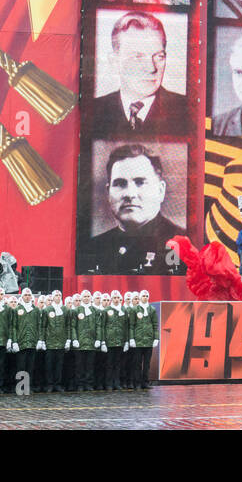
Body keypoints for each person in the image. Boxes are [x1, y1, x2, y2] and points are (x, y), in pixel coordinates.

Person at [82, 144, 185, 275]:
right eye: (120, 184)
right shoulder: (93, 247)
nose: (130, 194)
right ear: (108, 192)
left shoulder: (183, 244)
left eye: (140, 182)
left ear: (160, 190)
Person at [89, 12, 189, 134]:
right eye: (137, 57)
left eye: (159, 56)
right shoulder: (92, 111)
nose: (151, 68)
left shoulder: (187, 111)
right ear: (114, 61)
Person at [70, 290, 102, 391]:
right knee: (79, 365)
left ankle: (89, 384)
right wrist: (75, 339)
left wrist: (98, 339)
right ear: (82, 298)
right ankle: (80, 384)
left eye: (88, 296)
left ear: (90, 298)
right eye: (85, 296)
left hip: (92, 343)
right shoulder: (76, 310)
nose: (86, 298)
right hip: (80, 343)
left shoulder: (95, 310)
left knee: (90, 365)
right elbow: (73, 326)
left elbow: (98, 326)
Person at [129, 290, 158, 389]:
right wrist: (132, 338)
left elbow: (155, 325)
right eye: (143, 296)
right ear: (140, 297)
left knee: (147, 363)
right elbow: (131, 325)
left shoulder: (152, 309)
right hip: (138, 341)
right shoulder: (134, 309)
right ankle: (136, 383)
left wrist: (156, 338)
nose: (145, 297)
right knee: (137, 363)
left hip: (149, 341)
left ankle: (145, 382)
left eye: (146, 296)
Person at [101, 292, 129, 390]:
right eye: (114, 298)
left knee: (118, 364)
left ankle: (116, 383)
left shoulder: (123, 310)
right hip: (109, 342)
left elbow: (126, 327)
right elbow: (103, 326)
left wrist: (126, 341)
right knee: (109, 364)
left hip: (120, 341)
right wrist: (103, 341)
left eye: (118, 297)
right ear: (112, 299)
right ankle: (108, 384)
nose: (116, 299)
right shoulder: (106, 310)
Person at [41, 291, 67, 392]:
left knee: (59, 365)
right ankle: (49, 384)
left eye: (60, 295)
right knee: (49, 365)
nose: (58, 297)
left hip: (61, 343)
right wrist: (42, 340)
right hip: (50, 342)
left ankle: (58, 384)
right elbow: (43, 326)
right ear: (53, 297)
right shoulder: (47, 310)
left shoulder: (65, 309)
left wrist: (67, 339)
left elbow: (68, 325)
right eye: (56, 295)